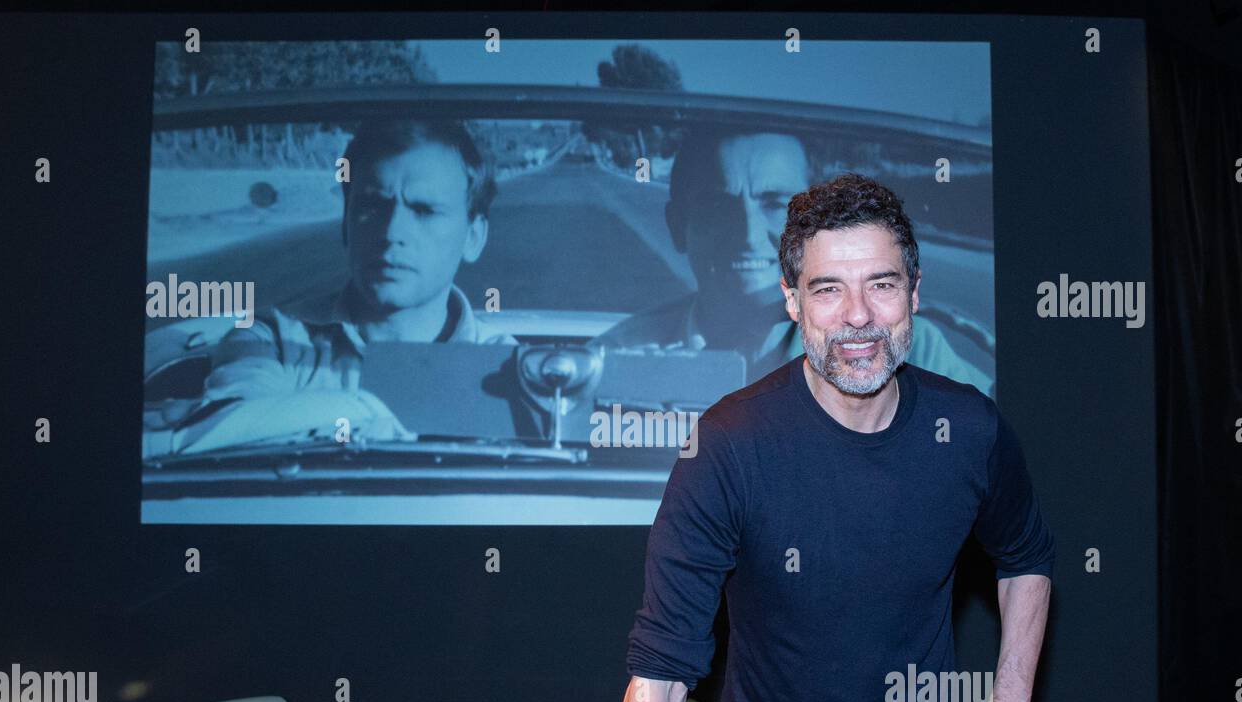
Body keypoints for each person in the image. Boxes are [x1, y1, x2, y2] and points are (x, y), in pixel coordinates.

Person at [617, 172, 1055, 702]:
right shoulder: (729, 446)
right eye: (828, 289)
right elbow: (660, 680)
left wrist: (1010, 701)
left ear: (915, 290)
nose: (858, 316)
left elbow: (1026, 557)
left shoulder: (968, 428)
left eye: (881, 284)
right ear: (792, 299)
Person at [143, 118, 515, 457]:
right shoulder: (271, 338)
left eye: (424, 210)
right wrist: (371, 412)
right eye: (372, 205)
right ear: (345, 224)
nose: (392, 234)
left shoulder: (505, 365)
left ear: (473, 237)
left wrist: (305, 419)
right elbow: (215, 435)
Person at [591, 127, 992, 392]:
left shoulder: (908, 351)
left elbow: (1002, 458)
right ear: (679, 226)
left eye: (775, 204)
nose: (747, 235)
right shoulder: (615, 358)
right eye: (718, 206)